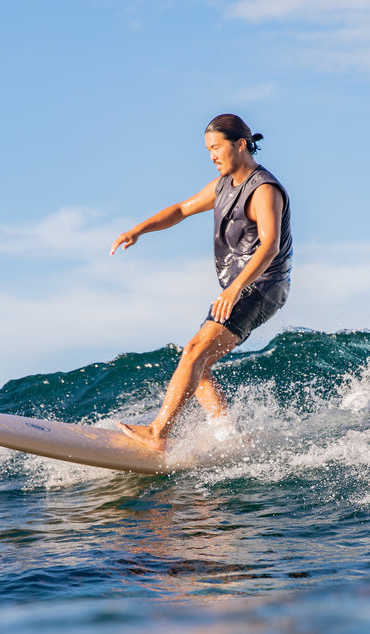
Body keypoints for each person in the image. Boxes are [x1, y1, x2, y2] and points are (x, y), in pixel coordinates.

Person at [109, 113, 292, 451]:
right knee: (196, 360)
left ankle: (157, 432)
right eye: (208, 150)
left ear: (239, 145)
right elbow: (181, 209)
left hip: (261, 286)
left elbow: (270, 245)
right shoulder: (224, 185)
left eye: (216, 148)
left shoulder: (263, 190)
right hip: (241, 288)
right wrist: (138, 230)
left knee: (194, 352)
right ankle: (227, 435)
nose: (212, 156)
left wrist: (235, 289)